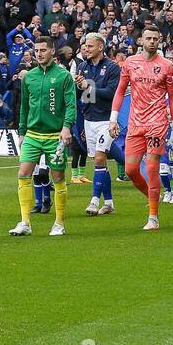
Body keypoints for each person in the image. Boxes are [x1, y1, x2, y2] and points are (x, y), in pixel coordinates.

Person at [109, 25, 173, 231]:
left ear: (159, 41)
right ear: (141, 40)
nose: (151, 42)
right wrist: (113, 119)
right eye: (148, 38)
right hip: (135, 123)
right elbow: (121, 91)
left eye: (155, 39)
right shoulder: (130, 63)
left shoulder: (167, 66)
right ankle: (153, 197)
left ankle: (153, 217)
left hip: (157, 123)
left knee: (151, 167)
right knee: (131, 170)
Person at [9, 37, 77, 237]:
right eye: (36, 50)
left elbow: (71, 105)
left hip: (55, 136)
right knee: (23, 174)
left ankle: (59, 223)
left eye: (43, 50)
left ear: (52, 51)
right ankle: (25, 222)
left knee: (58, 178)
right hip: (32, 135)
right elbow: (24, 107)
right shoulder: (29, 77)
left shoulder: (64, 76)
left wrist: (66, 128)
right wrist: (22, 132)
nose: (38, 53)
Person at [77, 33, 122, 216]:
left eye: (90, 46)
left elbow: (111, 93)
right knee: (102, 162)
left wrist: (88, 86)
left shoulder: (112, 68)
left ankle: (94, 201)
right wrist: (80, 87)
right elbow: (84, 96)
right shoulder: (82, 66)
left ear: (100, 47)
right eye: (85, 46)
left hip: (106, 120)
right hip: (89, 120)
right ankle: (109, 203)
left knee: (99, 158)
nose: (86, 49)